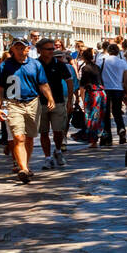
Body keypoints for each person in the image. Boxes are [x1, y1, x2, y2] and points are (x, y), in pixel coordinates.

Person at [0, 38, 54, 184]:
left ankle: (26, 164)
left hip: (33, 102)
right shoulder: (5, 66)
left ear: (28, 49)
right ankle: (23, 169)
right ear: (12, 50)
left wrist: (50, 98)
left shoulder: (35, 64)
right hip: (13, 104)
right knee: (18, 137)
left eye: (23, 48)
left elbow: (43, 84)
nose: (20, 50)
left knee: (30, 137)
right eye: (17, 48)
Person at [35, 39, 75, 169]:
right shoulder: (35, 64)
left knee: (59, 131)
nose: (52, 51)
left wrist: (70, 100)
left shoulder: (59, 64)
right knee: (44, 132)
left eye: (53, 49)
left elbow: (69, 81)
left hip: (58, 101)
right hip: (40, 103)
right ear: (39, 50)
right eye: (49, 49)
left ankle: (57, 150)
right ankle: (47, 158)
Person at [99, 42, 127, 145]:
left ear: (108, 51)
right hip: (118, 89)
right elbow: (126, 79)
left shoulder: (102, 61)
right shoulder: (123, 62)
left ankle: (107, 136)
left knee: (106, 113)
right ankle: (121, 129)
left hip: (106, 89)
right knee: (117, 112)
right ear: (118, 52)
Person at [78, 55, 108, 147]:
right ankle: (101, 136)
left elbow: (83, 83)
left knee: (91, 116)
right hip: (101, 93)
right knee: (100, 116)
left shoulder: (85, 68)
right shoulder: (97, 67)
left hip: (92, 93)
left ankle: (93, 140)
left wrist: (81, 98)